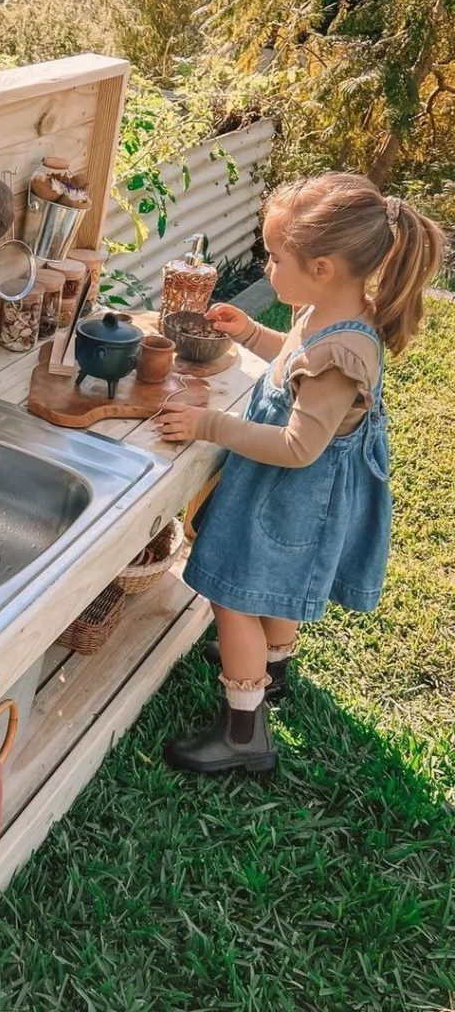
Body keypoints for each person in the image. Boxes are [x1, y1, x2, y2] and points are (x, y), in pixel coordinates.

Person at [154, 172, 442, 774]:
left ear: (324, 267)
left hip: (288, 497)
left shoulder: (343, 356)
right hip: (288, 497)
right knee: (274, 586)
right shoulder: (332, 313)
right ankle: (272, 668)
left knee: (233, 595)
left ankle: (243, 734)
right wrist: (254, 333)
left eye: (275, 256)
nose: (266, 268)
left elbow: (298, 445)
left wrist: (208, 425)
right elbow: (294, 362)